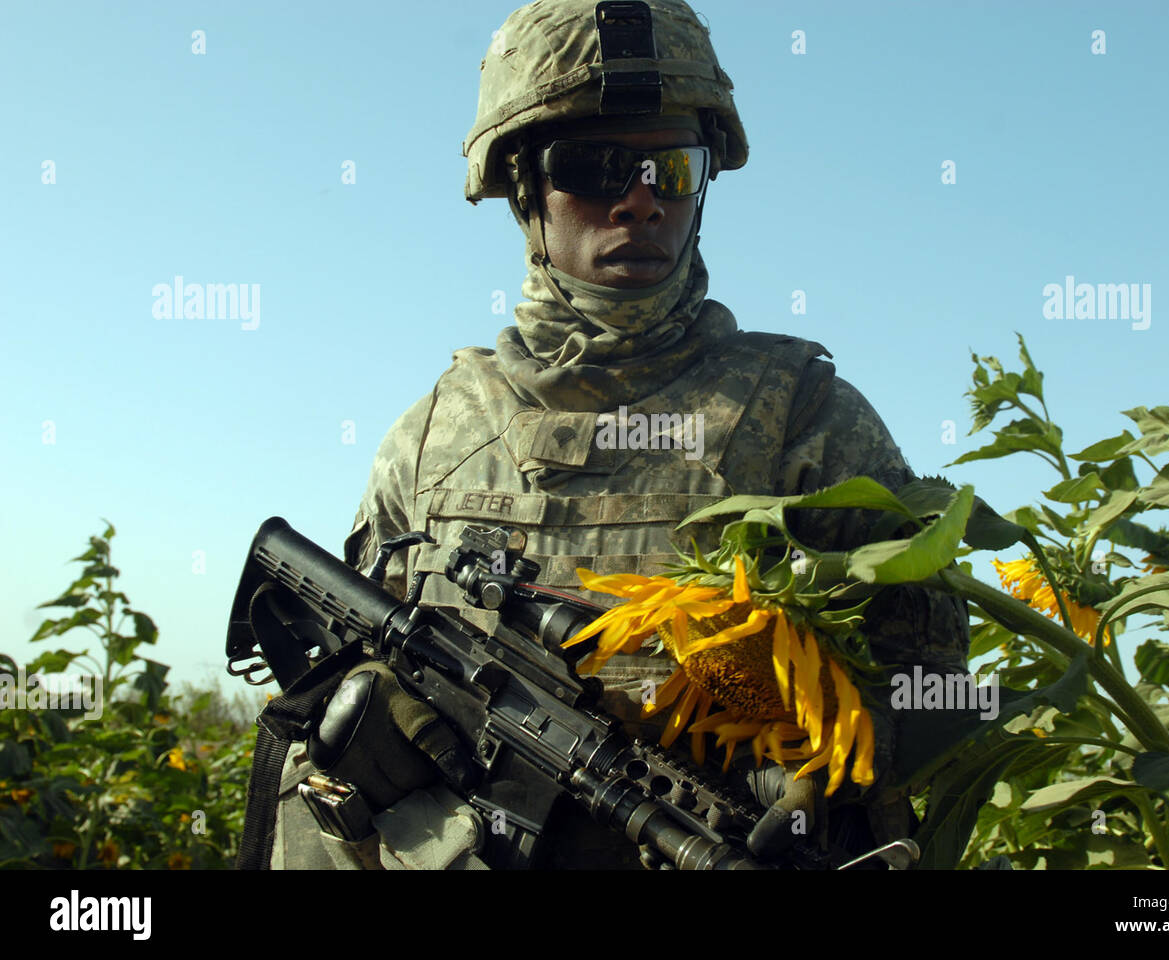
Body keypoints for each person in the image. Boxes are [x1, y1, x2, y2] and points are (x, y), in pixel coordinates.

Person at [268, 0, 970, 870]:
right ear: (523, 186)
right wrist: (374, 707)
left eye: (671, 170)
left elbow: (942, 687)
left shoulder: (803, 416)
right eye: (597, 167)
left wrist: (832, 774)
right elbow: (333, 671)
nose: (640, 201)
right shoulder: (431, 437)